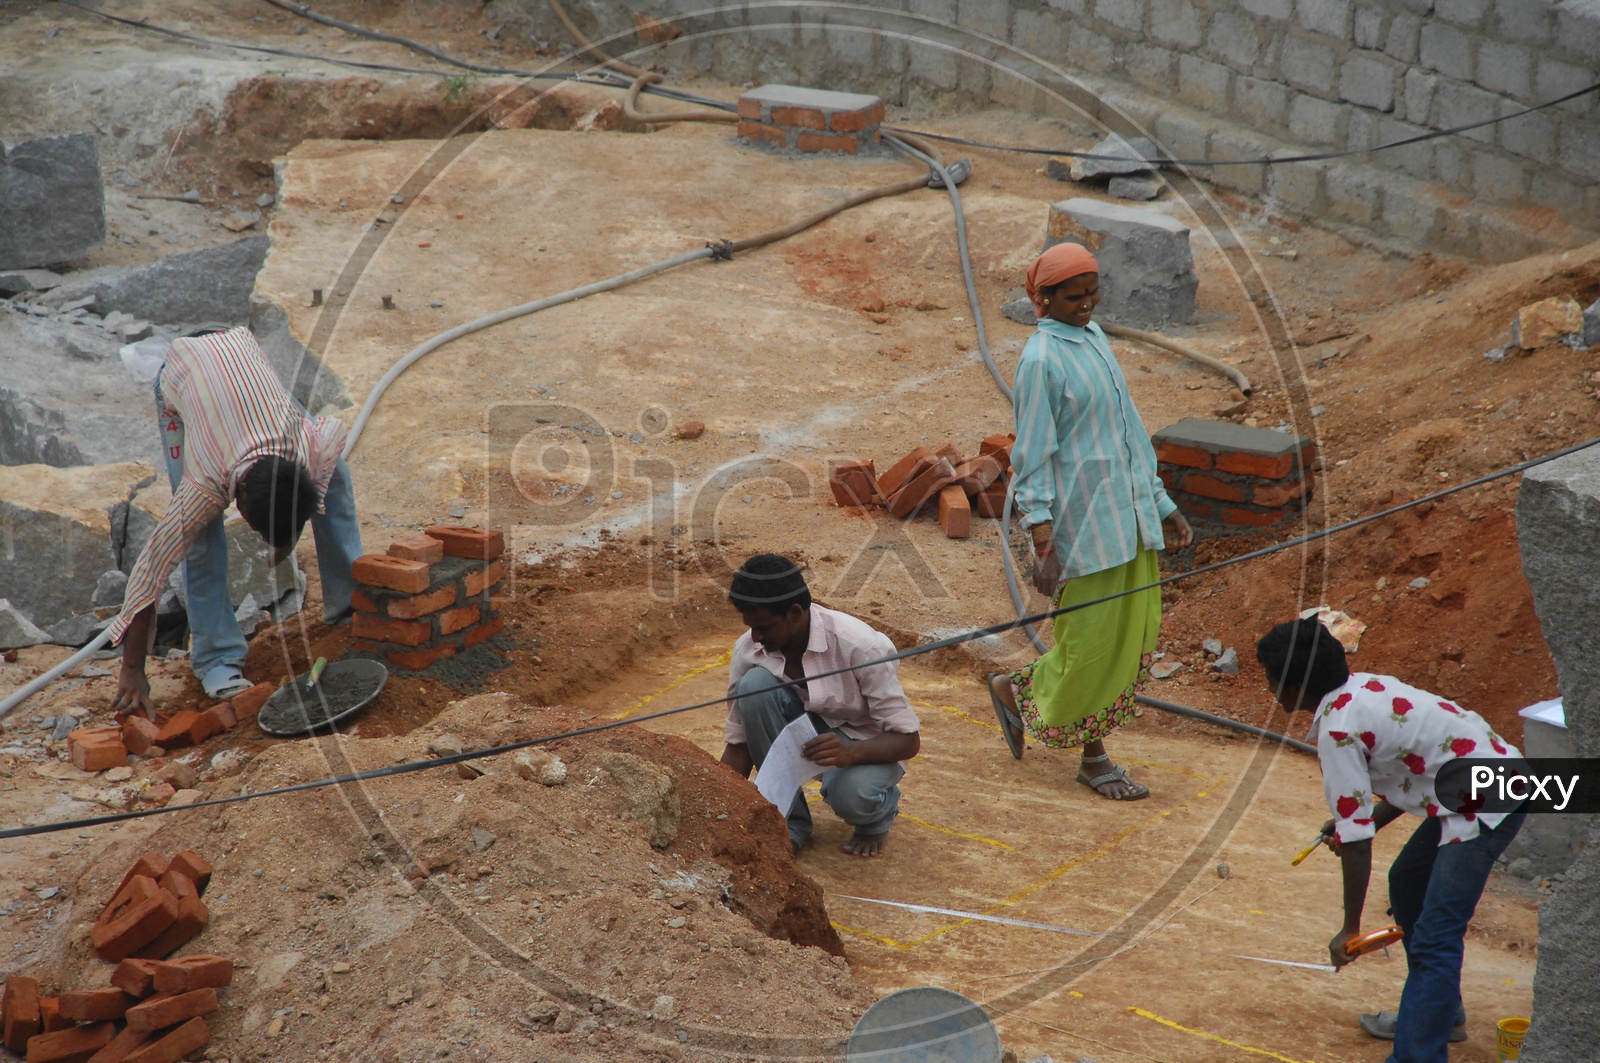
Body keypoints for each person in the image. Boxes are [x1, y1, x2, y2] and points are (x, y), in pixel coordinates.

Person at [1256, 617, 1525, 1061]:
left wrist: (1350, 928)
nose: (1268, 686)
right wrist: (1364, 822)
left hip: (1488, 800)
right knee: (1407, 882)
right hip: (1485, 780)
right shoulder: (1364, 688)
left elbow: (1356, 842)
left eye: (1270, 678)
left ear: (1292, 686)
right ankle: (1438, 1012)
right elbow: (1415, 768)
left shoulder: (1337, 731)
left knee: (1437, 937)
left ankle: (1417, 1052)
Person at [985, 242, 1192, 800]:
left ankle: (1015, 693)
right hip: (1083, 528)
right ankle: (1092, 755)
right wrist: (1042, 537)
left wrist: (1162, 505)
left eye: (1092, 294)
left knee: (1126, 639)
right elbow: (1031, 454)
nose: (1087, 305)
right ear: (1042, 299)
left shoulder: (1096, 340)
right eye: (1073, 297)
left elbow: (1127, 432)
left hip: (1126, 520)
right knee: (1089, 647)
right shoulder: (1041, 359)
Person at [110, 326, 364, 715]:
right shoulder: (205, 486)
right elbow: (150, 572)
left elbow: (335, 428)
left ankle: (349, 606)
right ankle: (217, 659)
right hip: (185, 371)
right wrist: (131, 669)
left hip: (238, 353)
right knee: (201, 540)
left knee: (338, 477)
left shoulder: (307, 450)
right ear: (238, 499)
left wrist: (287, 530)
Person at [719, 554, 921, 857]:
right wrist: (717, 808)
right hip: (805, 730)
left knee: (852, 795)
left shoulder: (862, 646)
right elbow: (739, 744)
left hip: (866, 744)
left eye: (764, 627)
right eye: (751, 628)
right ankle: (788, 824)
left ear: (795, 613)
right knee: (754, 687)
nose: (757, 638)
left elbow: (907, 740)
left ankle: (878, 816)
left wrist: (850, 752)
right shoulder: (750, 649)